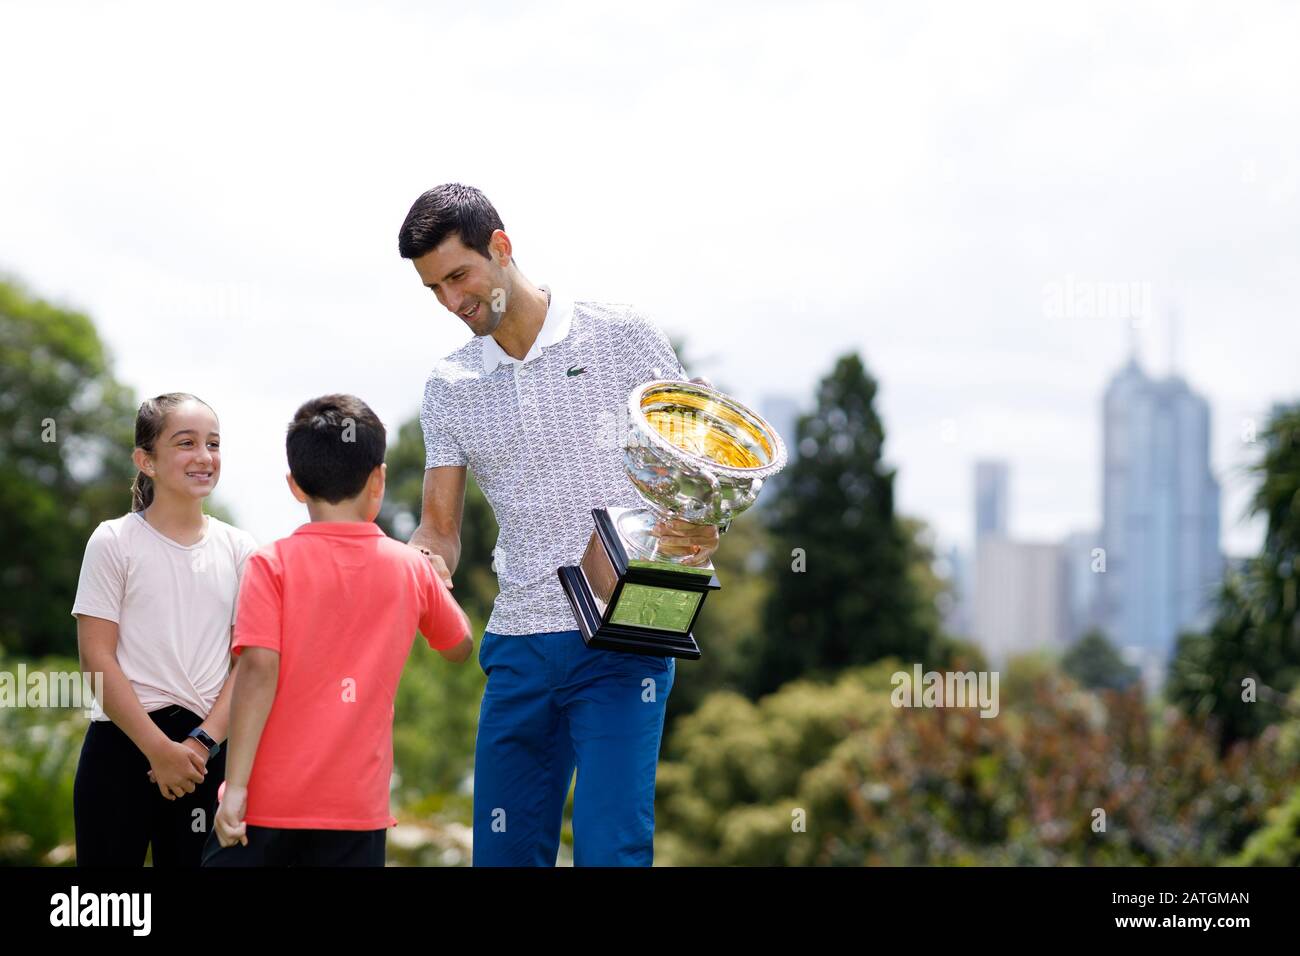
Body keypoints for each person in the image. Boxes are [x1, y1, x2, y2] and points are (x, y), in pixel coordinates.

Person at [398, 183, 719, 866]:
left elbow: (701, 467)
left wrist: (700, 524)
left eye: (459, 276)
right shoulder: (447, 386)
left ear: (501, 248)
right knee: (504, 857)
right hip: (518, 645)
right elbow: (439, 527)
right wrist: (422, 563)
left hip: (625, 637)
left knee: (610, 850)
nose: (453, 302)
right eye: (434, 289)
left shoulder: (623, 335)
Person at [203, 394, 472, 867]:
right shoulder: (411, 569)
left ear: (295, 485)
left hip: (266, 808)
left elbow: (258, 670)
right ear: (379, 479)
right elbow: (459, 646)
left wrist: (236, 787)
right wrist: (435, 577)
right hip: (356, 815)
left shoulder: (272, 563)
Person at [72, 392, 258, 866]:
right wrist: (157, 749)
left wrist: (198, 744)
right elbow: (96, 659)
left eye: (213, 444)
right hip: (121, 749)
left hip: (204, 758)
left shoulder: (241, 549)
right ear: (146, 461)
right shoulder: (113, 541)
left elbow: (249, 662)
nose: (204, 457)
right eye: (186, 443)